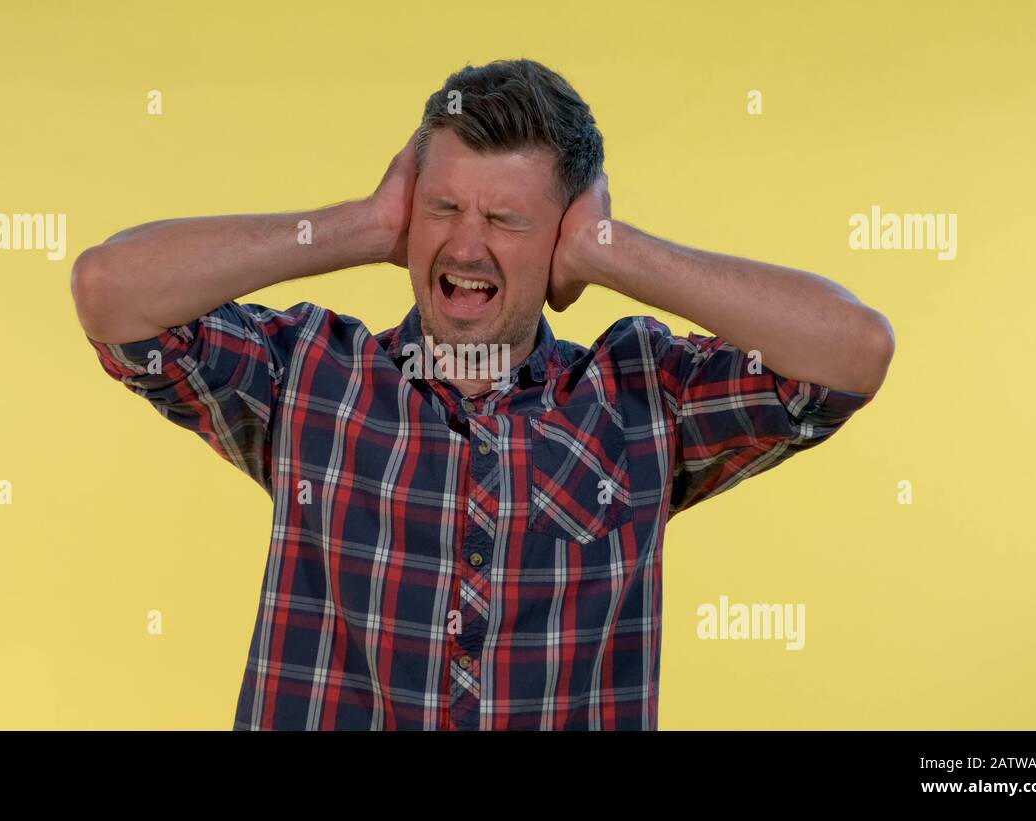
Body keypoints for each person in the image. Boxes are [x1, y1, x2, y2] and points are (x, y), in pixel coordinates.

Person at [70, 59, 894, 730]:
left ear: (568, 234)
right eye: (442, 207)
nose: (466, 242)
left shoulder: (643, 398)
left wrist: (616, 249)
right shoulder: (311, 377)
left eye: (506, 219)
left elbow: (851, 352)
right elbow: (112, 292)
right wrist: (359, 224)